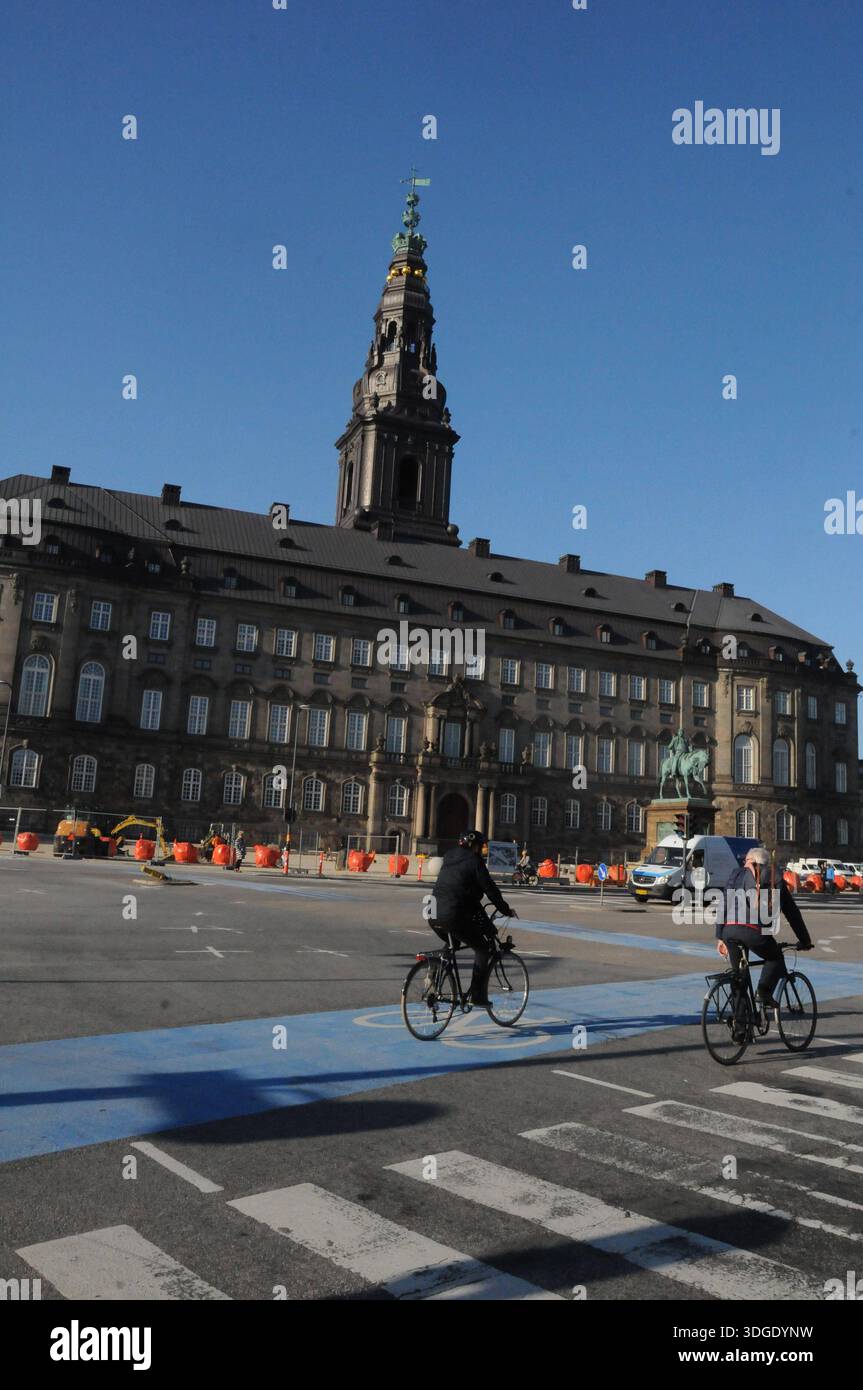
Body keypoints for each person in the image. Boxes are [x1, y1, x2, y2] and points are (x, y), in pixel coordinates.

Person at [717, 846, 813, 1033]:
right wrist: (805, 940)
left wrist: (720, 936)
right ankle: (764, 991)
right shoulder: (774, 877)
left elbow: (724, 904)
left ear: (751, 861)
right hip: (753, 931)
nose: (743, 864)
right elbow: (792, 913)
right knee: (775, 957)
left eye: (746, 860)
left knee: (739, 977)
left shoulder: (736, 875)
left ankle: (740, 1030)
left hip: (730, 931)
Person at [428, 829, 516, 1005]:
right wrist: (505, 909)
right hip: (452, 914)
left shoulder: (450, 855)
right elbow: (490, 889)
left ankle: (436, 969)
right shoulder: (474, 861)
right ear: (474, 846)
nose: (481, 849)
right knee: (482, 949)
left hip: (432, 912)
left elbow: (459, 887)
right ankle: (477, 996)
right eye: (480, 846)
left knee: (453, 941)